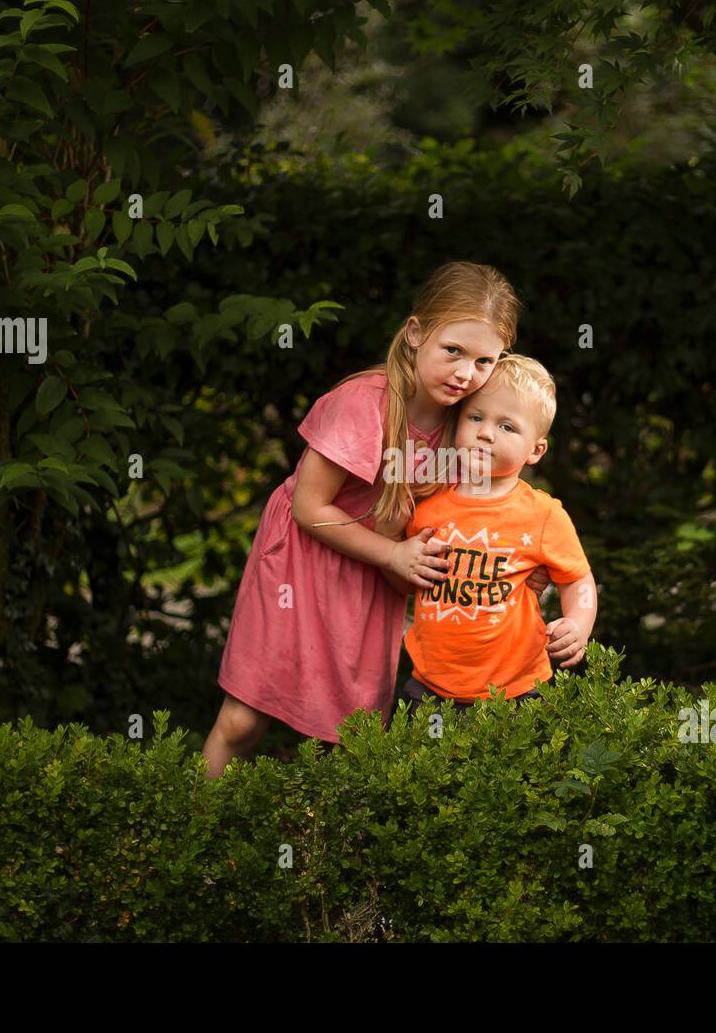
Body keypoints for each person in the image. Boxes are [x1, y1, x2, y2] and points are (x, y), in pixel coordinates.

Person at [202, 261, 545, 777]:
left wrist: (520, 563)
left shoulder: (466, 421)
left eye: (482, 361)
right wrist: (392, 552)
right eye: (452, 350)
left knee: (354, 730)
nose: (463, 373)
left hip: (375, 577)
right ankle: (192, 826)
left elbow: (489, 503)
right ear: (414, 333)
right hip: (302, 562)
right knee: (246, 719)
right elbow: (308, 507)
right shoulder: (365, 403)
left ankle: (325, 845)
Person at [395, 354, 597, 716]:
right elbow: (402, 570)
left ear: (536, 450)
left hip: (515, 691)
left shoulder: (543, 514)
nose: (485, 432)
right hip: (428, 684)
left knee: (512, 771)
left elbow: (578, 579)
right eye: (476, 417)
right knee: (425, 770)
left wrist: (578, 624)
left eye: (507, 427)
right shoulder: (426, 506)